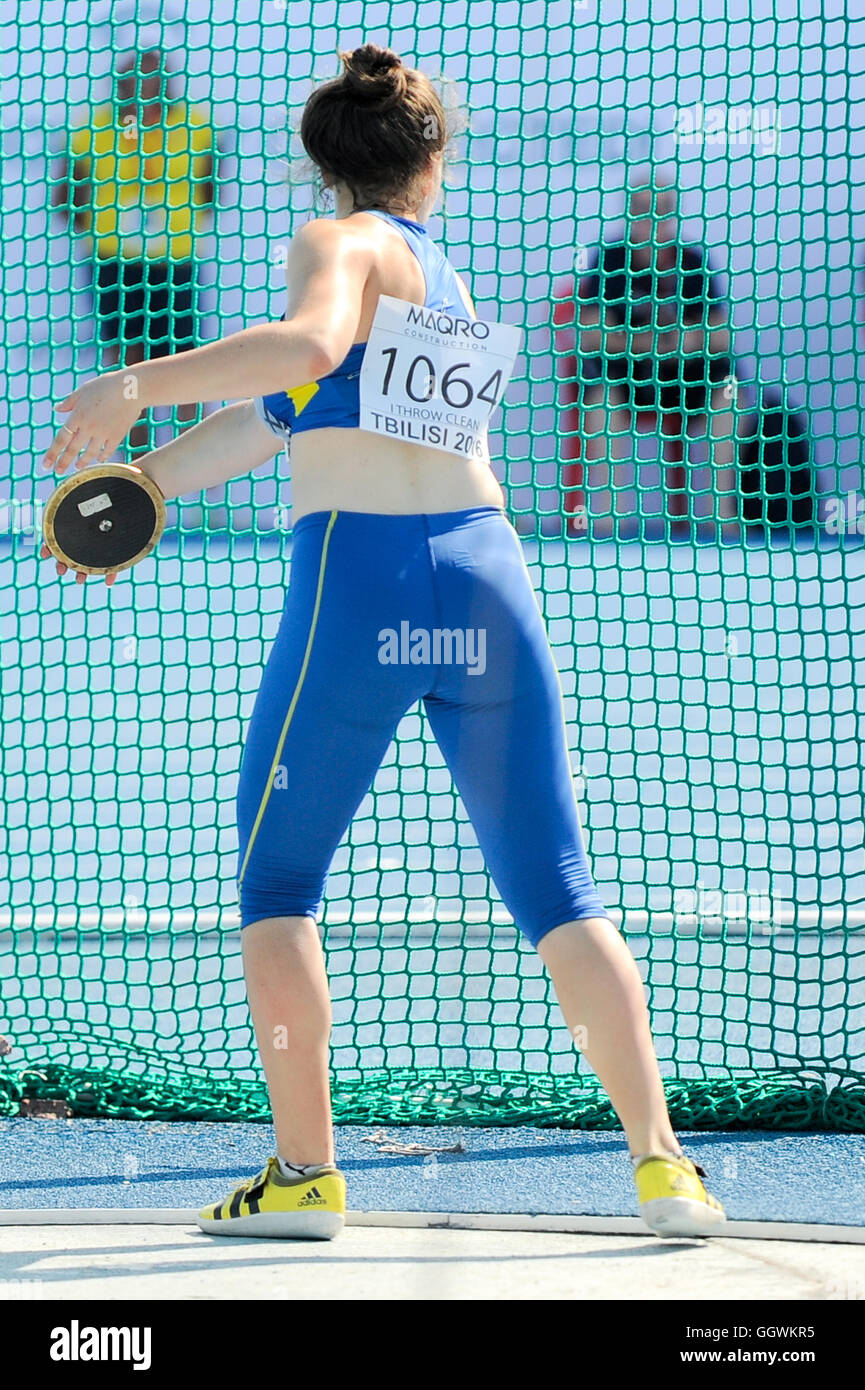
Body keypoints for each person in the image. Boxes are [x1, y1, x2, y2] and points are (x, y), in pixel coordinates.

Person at [42, 44, 725, 1240]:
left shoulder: (339, 247)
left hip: (361, 581)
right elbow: (272, 415)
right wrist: (135, 487)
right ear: (435, 159)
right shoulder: (437, 283)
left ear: (322, 169)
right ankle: (666, 1169)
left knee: (278, 885)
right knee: (563, 892)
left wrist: (131, 383)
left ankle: (303, 1177)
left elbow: (301, 352)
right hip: (482, 578)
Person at [52, 48, 217, 455]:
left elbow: (210, 191)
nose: (147, 90)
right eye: (136, 80)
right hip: (115, 265)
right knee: (129, 365)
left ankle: (196, 471)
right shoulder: (90, 130)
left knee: (187, 362)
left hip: (173, 265)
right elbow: (66, 200)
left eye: (156, 80)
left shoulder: (195, 128)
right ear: (120, 84)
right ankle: (140, 470)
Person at [556, 177, 739, 535]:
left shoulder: (693, 262)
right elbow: (589, 330)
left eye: (661, 210)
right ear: (629, 212)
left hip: (686, 382)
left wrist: (675, 343)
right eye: (641, 209)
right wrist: (646, 343)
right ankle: (607, 525)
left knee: (729, 399)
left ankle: (724, 519)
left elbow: (720, 334)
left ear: (672, 215)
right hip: (629, 382)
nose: (652, 219)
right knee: (600, 403)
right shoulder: (609, 260)